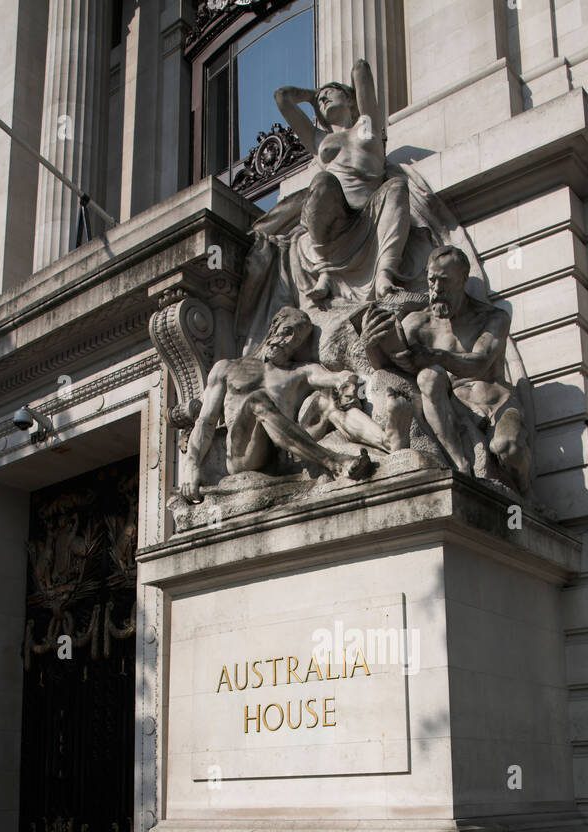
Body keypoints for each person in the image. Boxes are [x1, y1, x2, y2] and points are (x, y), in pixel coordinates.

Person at [240, 59, 410, 311]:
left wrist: (333, 88)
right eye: (321, 99)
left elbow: (361, 69)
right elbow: (282, 97)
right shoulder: (320, 141)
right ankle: (326, 272)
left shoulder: (367, 127)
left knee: (396, 187)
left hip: (370, 211)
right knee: (322, 181)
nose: (324, 98)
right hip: (333, 214)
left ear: (350, 99)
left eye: (331, 93)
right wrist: (312, 96)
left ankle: (384, 276)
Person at [359, 246, 532, 492]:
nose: (437, 289)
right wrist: (371, 345)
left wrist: (435, 355)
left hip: (494, 403)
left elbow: (479, 363)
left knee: (509, 446)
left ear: (463, 279)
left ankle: (527, 498)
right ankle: (460, 467)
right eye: (432, 280)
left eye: (444, 281)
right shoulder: (418, 322)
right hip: (451, 404)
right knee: (429, 376)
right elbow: (387, 367)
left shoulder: (492, 318)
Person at [180, 307, 370, 501]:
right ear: (274, 326)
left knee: (327, 399)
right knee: (257, 401)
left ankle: (386, 443)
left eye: (297, 340)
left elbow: (339, 377)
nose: (288, 341)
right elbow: (206, 421)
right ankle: (333, 461)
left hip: (284, 455)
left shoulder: (300, 372)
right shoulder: (227, 368)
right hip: (244, 455)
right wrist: (191, 465)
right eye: (288, 331)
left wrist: (349, 383)